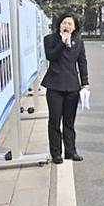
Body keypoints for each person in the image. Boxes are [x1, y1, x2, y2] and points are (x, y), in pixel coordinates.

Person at [41, 14, 89, 164]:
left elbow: (82, 63)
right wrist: (62, 42)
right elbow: (50, 56)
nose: (67, 26)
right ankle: (56, 153)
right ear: (59, 25)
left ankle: (71, 151)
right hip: (54, 86)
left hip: (72, 87)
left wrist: (85, 83)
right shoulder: (50, 39)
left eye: (70, 23)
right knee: (54, 121)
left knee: (69, 122)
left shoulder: (79, 42)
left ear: (75, 27)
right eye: (64, 23)